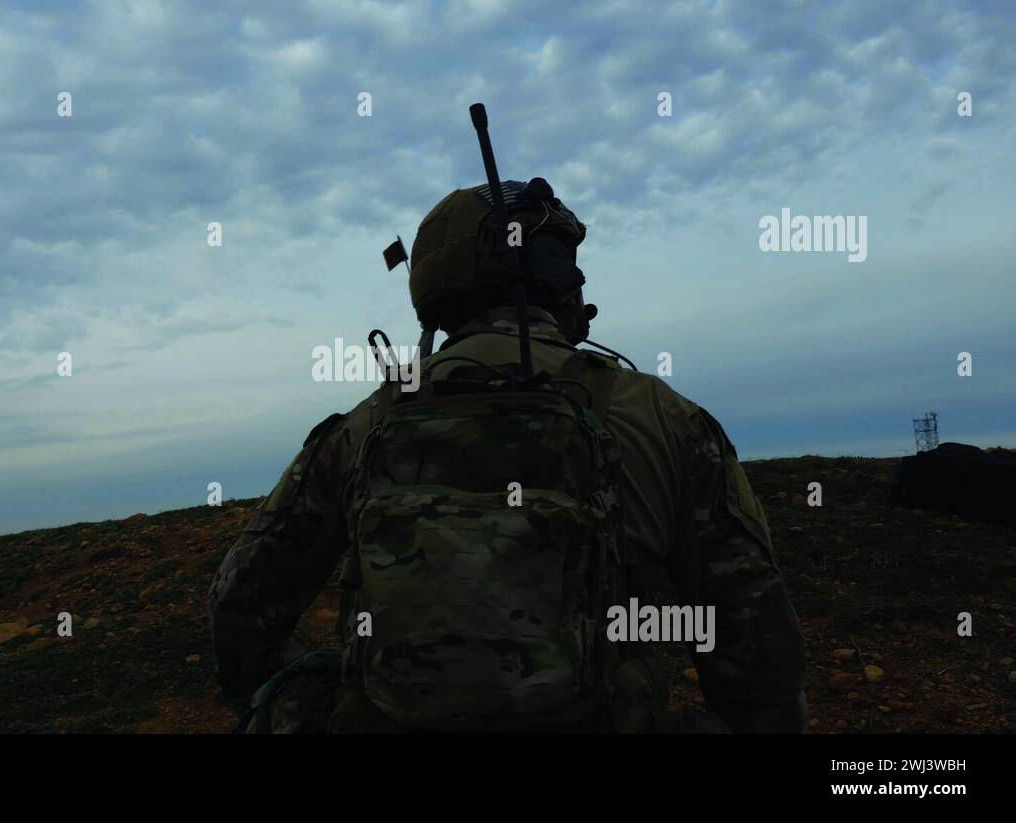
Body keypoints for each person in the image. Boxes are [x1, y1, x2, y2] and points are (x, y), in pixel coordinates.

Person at [208, 177, 807, 733]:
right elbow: (756, 635)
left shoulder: (367, 423)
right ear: (546, 271)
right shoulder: (665, 418)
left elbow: (241, 601)